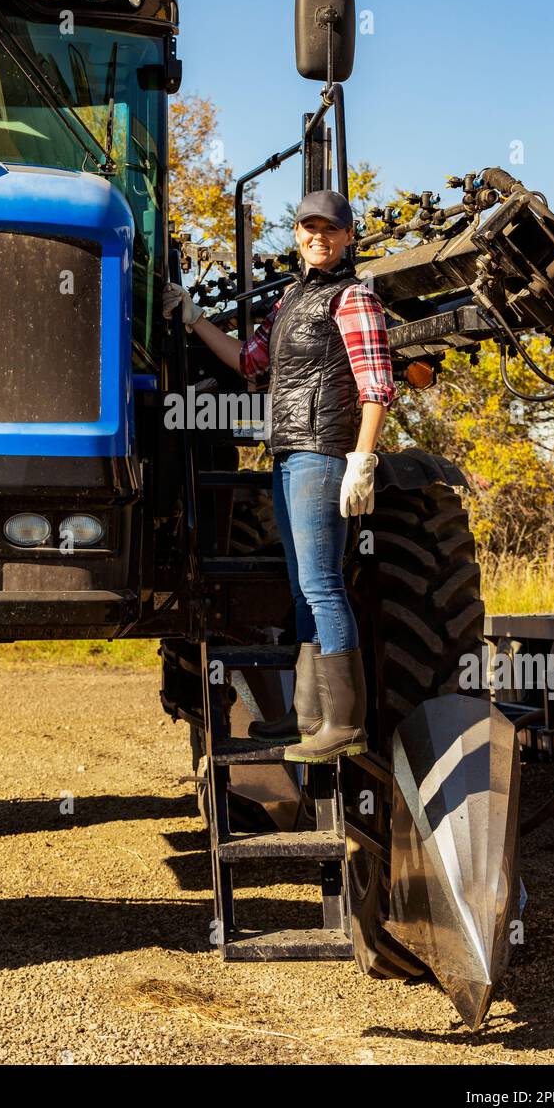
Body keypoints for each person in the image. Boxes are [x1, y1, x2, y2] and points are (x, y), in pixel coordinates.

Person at [163, 189, 396, 763]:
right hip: (288, 452)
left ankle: (343, 723)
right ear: (296, 234)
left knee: (322, 585)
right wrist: (193, 318)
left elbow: (377, 384)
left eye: (330, 229)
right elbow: (250, 360)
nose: (319, 236)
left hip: (323, 453)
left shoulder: (354, 298)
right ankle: (307, 715)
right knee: (301, 590)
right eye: (309, 227)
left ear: (347, 238)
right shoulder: (291, 299)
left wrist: (362, 459)